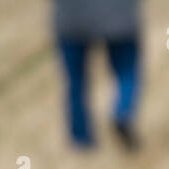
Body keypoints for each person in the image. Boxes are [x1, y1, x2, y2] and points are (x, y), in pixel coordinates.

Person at [52, 0, 142, 150]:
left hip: (71, 19)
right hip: (118, 16)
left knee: (76, 81)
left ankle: (81, 139)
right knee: (127, 69)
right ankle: (122, 111)